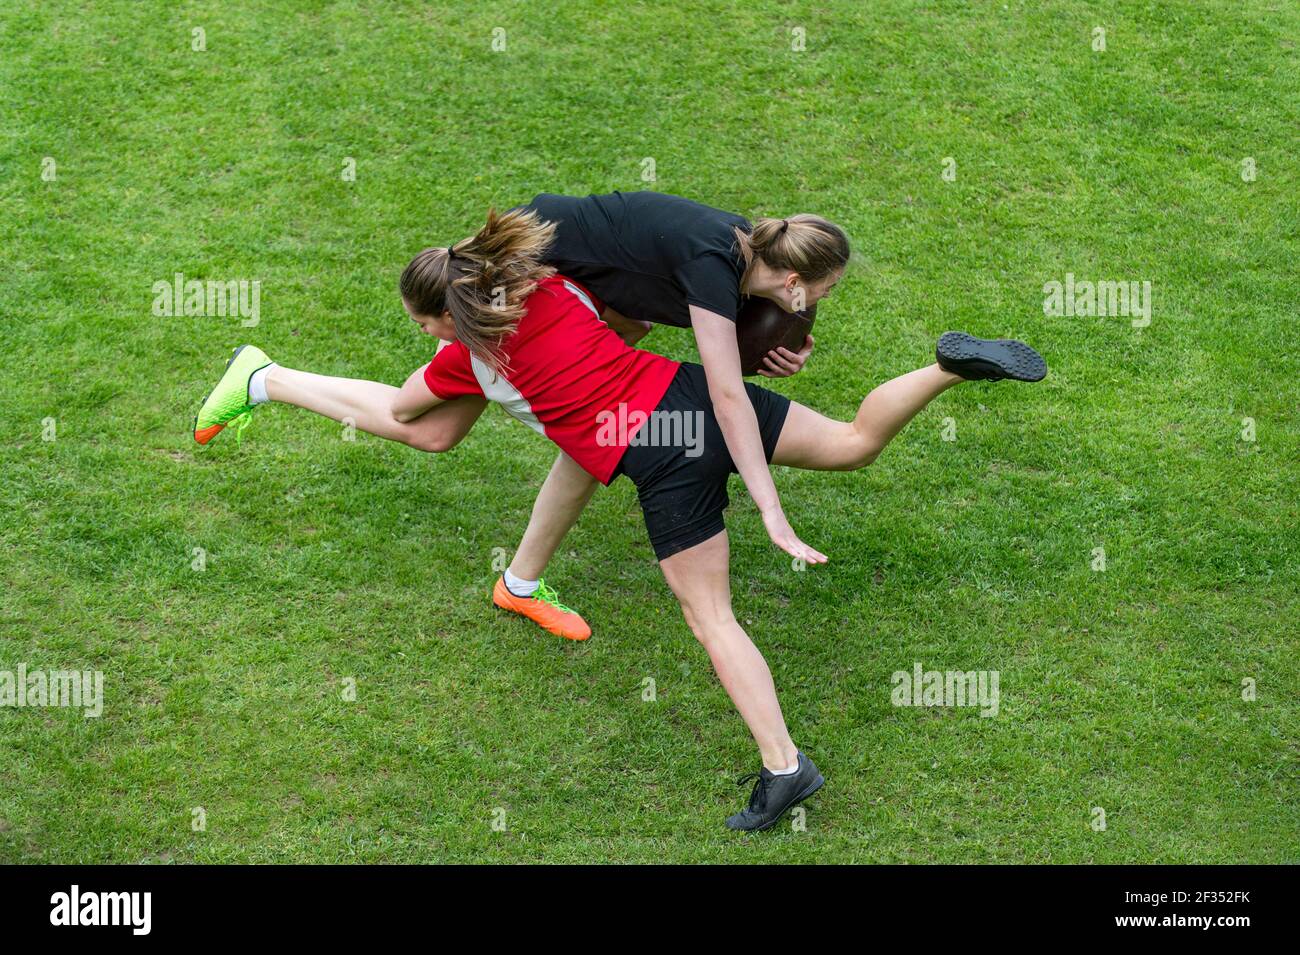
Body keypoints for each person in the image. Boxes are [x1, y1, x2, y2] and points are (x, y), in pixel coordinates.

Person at [192, 208, 1048, 830]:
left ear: (450, 315)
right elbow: (632, 314)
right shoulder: (559, 287)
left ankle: (784, 769)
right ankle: (943, 368)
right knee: (859, 442)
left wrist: (280, 382)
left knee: (712, 616)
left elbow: (406, 415)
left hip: (662, 452)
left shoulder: (472, 357)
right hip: (682, 399)